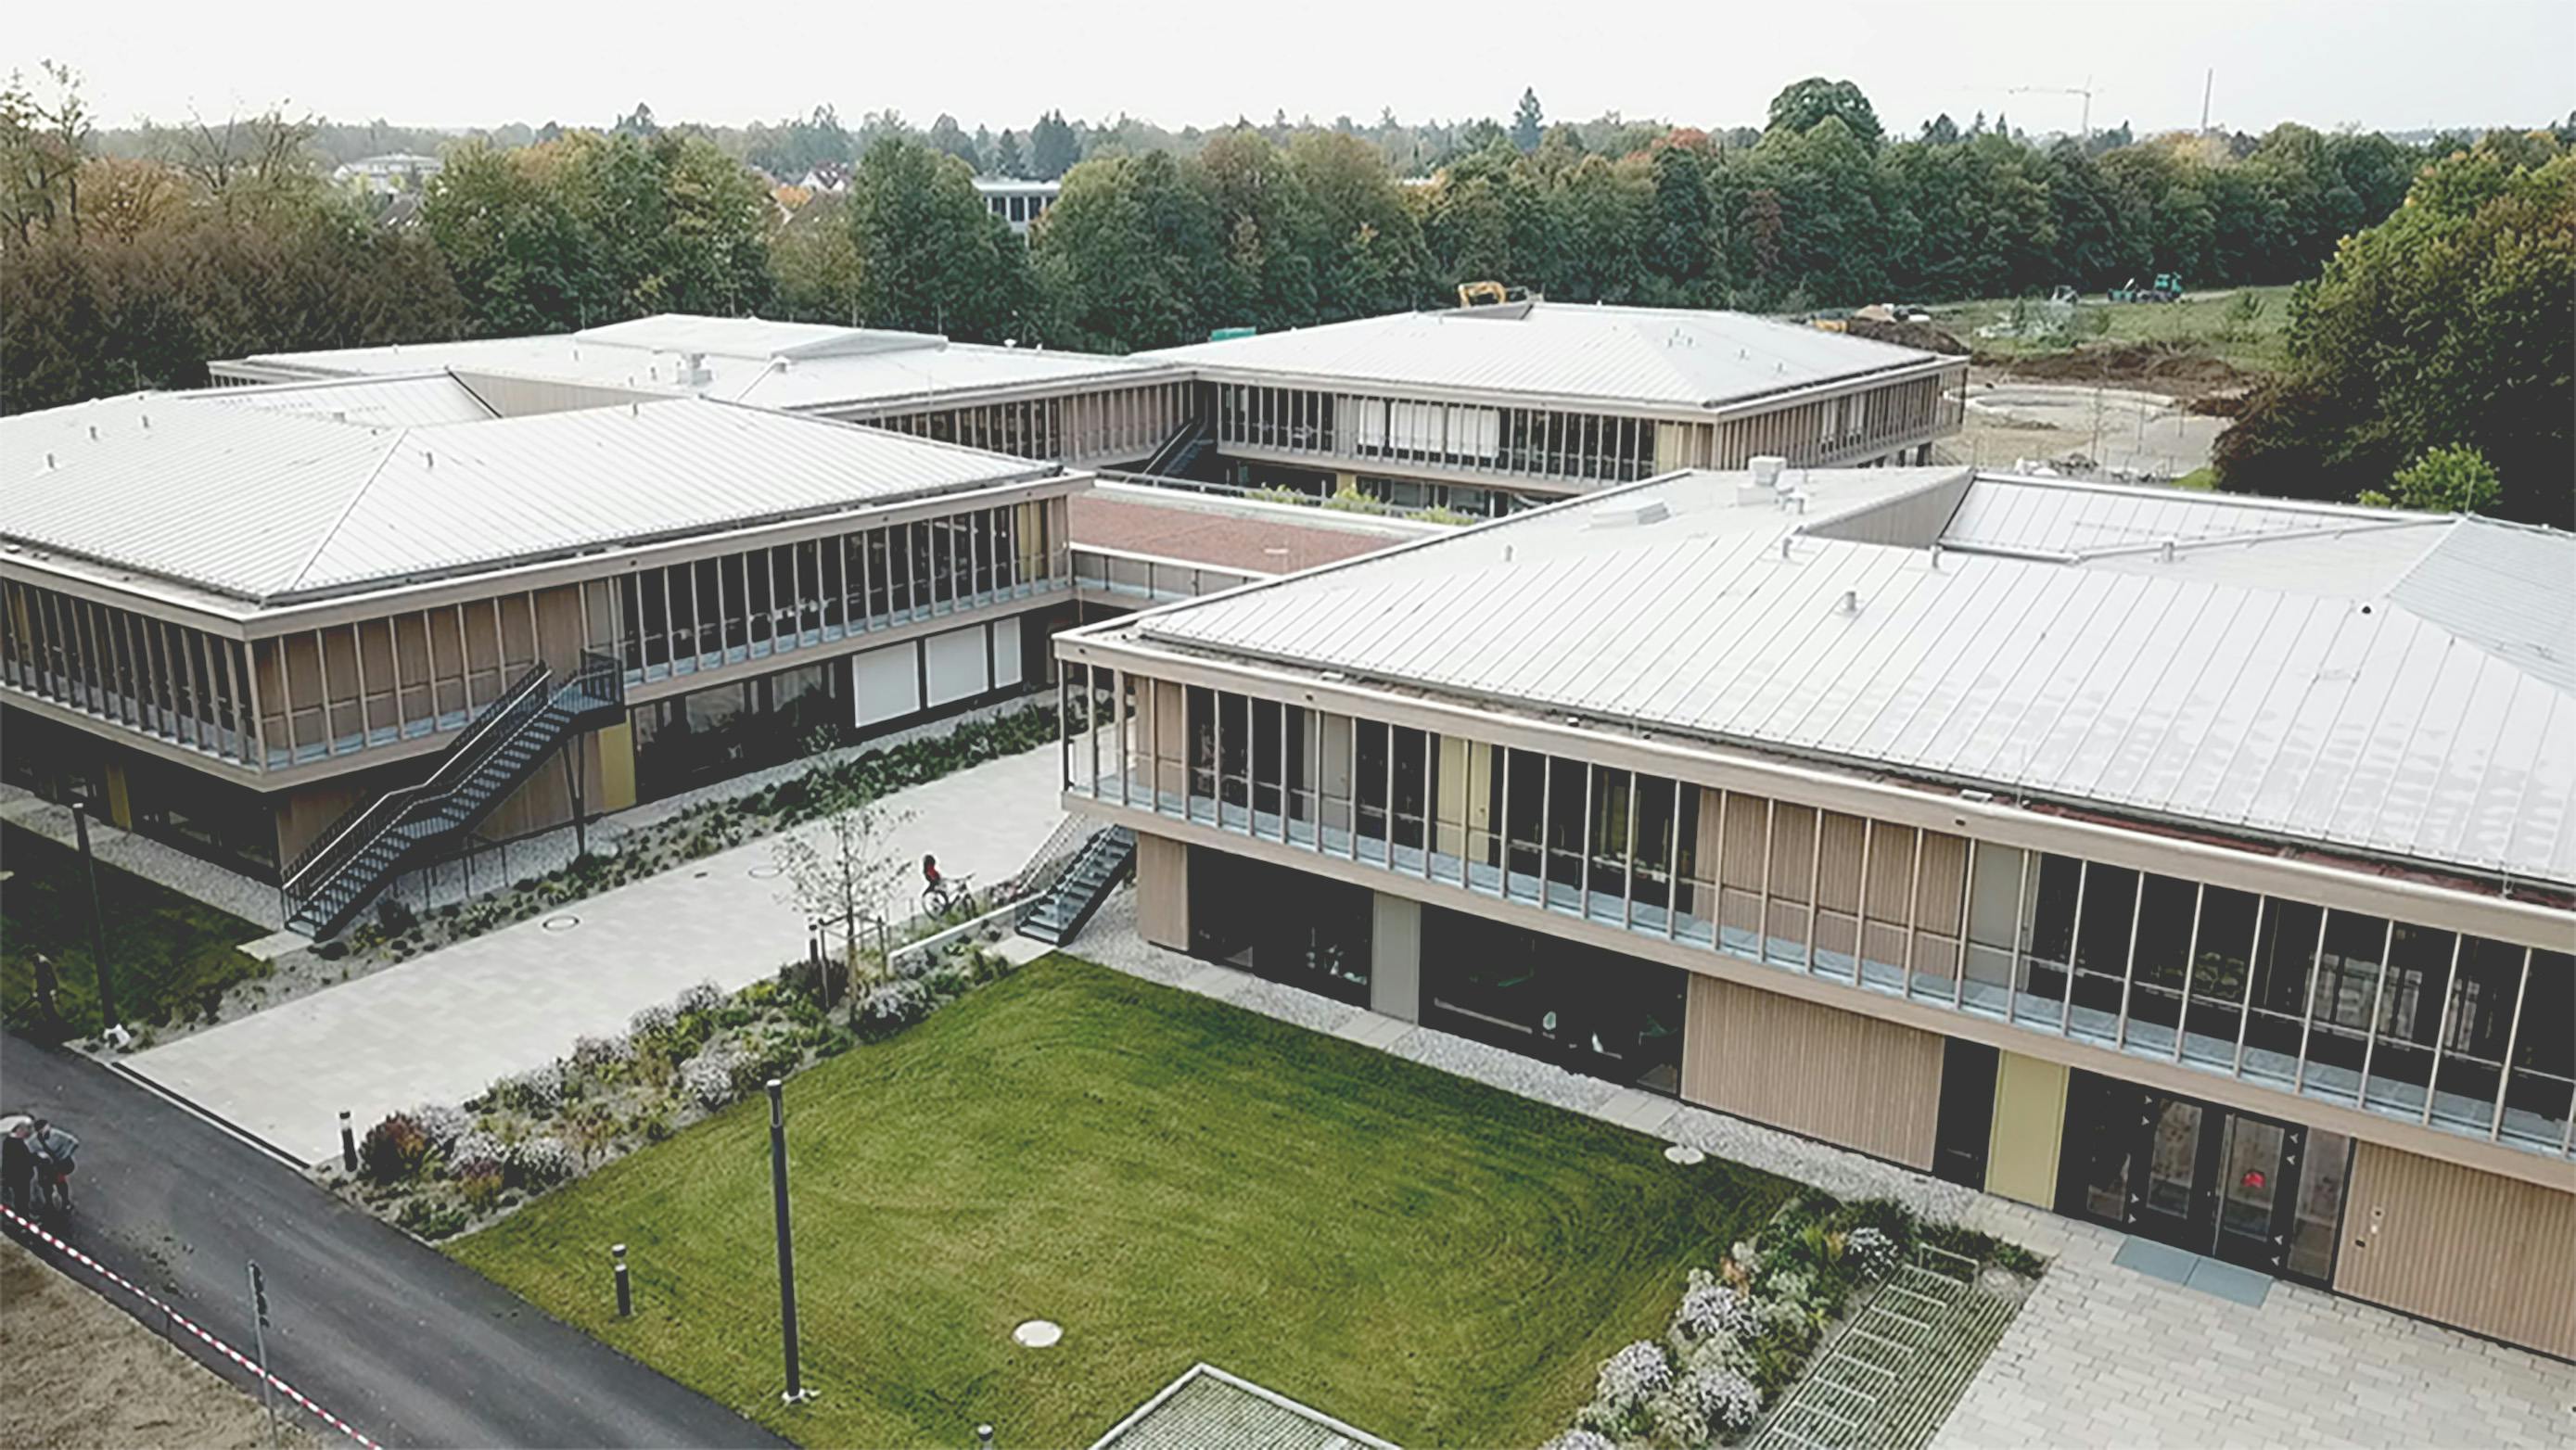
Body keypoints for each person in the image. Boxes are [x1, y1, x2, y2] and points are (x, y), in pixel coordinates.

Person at [1, 1118, 32, 1215]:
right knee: (22, 1197)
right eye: (25, 1130)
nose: (26, 1132)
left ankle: (24, 1213)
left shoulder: (10, 1141)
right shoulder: (15, 1143)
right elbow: (23, 1159)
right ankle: (23, 1215)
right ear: (18, 1130)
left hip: (18, 1174)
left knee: (22, 1197)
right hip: (19, 1176)